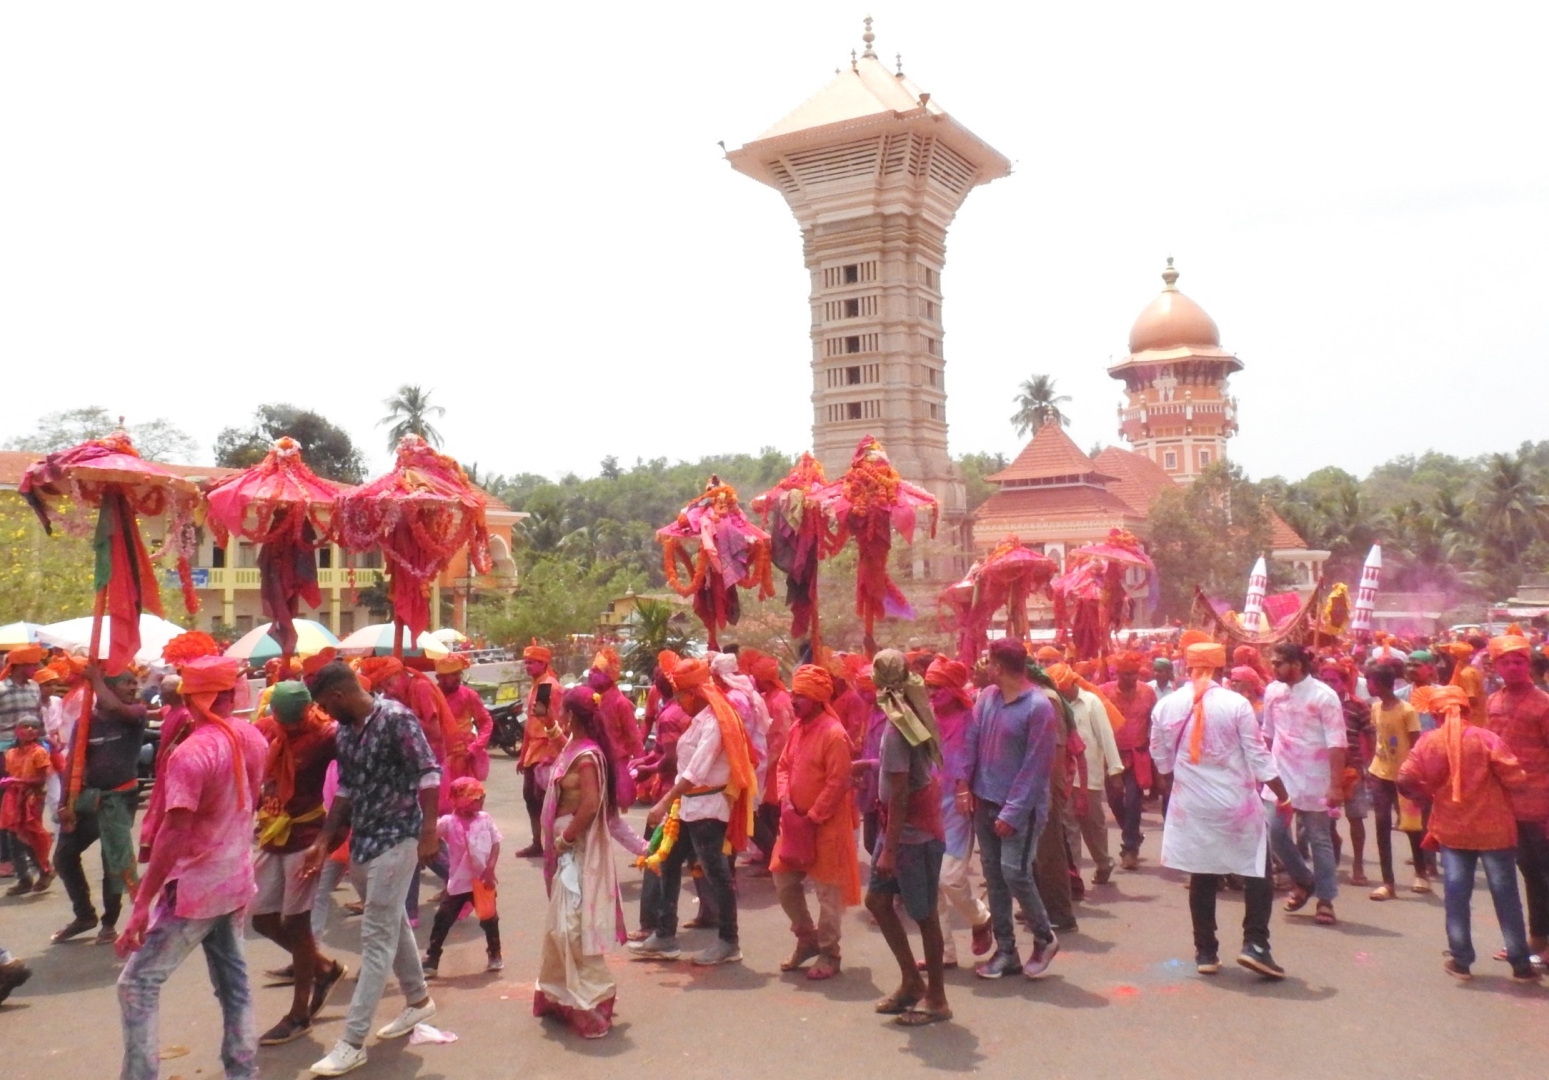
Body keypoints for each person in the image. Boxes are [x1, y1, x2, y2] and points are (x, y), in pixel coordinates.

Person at [115, 655, 268, 1080]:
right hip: (234, 879)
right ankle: (242, 1070)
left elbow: (174, 832)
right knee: (233, 985)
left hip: (196, 888)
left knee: (136, 985)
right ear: (226, 694)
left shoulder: (193, 752)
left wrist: (143, 902)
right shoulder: (253, 737)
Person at [302, 660, 441, 1078]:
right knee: (392, 923)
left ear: (341, 696)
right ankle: (418, 1001)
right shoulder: (347, 732)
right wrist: (325, 841)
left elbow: (429, 773)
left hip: (399, 838)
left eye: (327, 705)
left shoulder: (397, 719)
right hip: (364, 840)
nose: (327, 714)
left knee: (376, 937)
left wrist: (429, 831)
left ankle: (352, 1042)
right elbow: (345, 789)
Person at [1151, 640, 1290, 978]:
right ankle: (1256, 944)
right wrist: (1282, 794)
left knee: (1203, 874)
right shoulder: (1236, 704)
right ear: (1220, 667)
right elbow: (1258, 755)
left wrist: (1183, 774)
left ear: (1186, 666)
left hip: (1192, 806)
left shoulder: (1166, 706)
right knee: (1257, 870)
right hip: (1236, 805)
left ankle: (1206, 952)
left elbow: (1161, 759)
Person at [1398, 684, 1539, 981]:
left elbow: (1404, 778)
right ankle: (1520, 964)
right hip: (1495, 830)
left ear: (1436, 714)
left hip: (1452, 830)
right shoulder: (1487, 739)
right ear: (1465, 709)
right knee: (1506, 894)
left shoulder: (1428, 742)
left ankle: (1461, 960)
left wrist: (1425, 794)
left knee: (1456, 893)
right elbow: (1515, 778)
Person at [630, 656, 757, 966]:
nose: (677, 702)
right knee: (670, 864)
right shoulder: (700, 719)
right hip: (688, 806)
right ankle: (665, 936)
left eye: (680, 695)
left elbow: (695, 771)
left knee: (717, 874)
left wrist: (662, 803)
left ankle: (729, 941)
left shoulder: (715, 722)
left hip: (708, 808)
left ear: (694, 692)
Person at [250, 681, 347, 1047]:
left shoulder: (326, 735)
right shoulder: (266, 729)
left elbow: (350, 783)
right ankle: (323, 968)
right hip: (271, 832)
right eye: (281, 719)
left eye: (293, 721)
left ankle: (299, 1014)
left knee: (297, 922)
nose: (287, 727)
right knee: (261, 919)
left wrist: (334, 838)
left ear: (307, 711)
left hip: (306, 836)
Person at [956, 639, 1059, 980]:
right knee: (995, 877)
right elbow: (971, 741)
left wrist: (1011, 813)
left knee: (1015, 872)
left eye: (988, 662)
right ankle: (1006, 951)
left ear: (998, 666)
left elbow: (1035, 768)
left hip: (1019, 809)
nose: (985, 668)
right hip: (984, 801)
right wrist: (964, 785)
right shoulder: (987, 698)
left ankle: (1044, 938)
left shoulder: (1038, 708)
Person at [534, 688, 626, 1038]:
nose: (558, 715)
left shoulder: (588, 757)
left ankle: (592, 1000)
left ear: (572, 716)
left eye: (560, 712)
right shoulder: (576, 748)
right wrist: (547, 723)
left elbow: (590, 804)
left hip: (578, 854)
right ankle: (559, 994)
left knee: (572, 929)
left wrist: (565, 838)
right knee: (560, 927)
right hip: (566, 854)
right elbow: (565, 755)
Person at [865, 650, 951, 1026]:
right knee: (878, 902)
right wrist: (871, 767)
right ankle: (912, 982)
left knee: (924, 913)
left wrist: (890, 849)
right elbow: (902, 774)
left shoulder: (898, 724)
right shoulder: (907, 716)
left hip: (910, 835)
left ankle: (937, 999)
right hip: (900, 830)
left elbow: (900, 792)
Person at [770, 664, 861, 981]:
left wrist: (812, 816)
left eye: (802, 697)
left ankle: (829, 953)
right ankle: (806, 939)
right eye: (794, 694)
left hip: (825, 826)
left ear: (819, 699)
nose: (794, 701)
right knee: (783, 882)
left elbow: (838, 782)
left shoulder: (834, 734)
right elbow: (783, 766)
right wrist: (785, 800)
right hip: (794, 821)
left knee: (828, 894)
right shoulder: (797, 728)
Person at [52, 665, 148, 946]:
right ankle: (84, 916)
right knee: (64, 856)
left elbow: (114, 707)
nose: (133, 688)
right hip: (88, 800)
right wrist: (64, 804)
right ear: (108, 687)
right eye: (126, 683)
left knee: (113, 863)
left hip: (119, 800)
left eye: (135, 683)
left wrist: (95, 679)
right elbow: (72, 763)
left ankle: (109, 923)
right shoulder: (86, 723)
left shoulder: (136, 714)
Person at [1263, 641, 1347, 926]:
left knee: (1319, 839)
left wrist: (1336, 785)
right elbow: (1268, 736)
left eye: (1278, 663)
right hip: (1280, 778)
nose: (1272, 668)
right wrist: (1260, 772)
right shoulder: (1273, 691)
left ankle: (1325, 899)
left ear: (1297, 665)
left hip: (1314, 778)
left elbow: (1337, 743)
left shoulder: (1325, 696)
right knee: (1275, 832)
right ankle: (1303, 879)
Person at [1481, 633, 1549, 965]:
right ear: (1495, 666)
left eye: (1519, 660)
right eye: (1506, 661)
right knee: (1529, 873)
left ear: (1529, 665)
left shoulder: (1544, 704)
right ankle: (1535, 940)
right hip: (1507, 808)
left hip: (1542, 809)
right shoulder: (1492, 702)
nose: (1513, 666)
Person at [922, 656, 992, 965]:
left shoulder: (972, 719)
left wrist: (965, 787)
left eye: (938, 687)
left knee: (949, 878)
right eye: (928, 687)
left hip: (958, 807)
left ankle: (981, 918)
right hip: (925, 806)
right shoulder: (923, 718)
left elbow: (977, 759)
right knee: (929, 883)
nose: (932, 693)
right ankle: (943, 954)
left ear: (953, 688)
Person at [1048, 665, 1123, 885]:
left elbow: (1105, 736)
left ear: (1073, 683)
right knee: (1068, 826)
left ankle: (1103, 862)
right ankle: (1073, 876)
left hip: (1090, 777)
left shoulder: (1091, 702)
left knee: (1093, 825)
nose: (1061, 693)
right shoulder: (1054, 704)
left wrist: (1115, 770)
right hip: (1064, 777)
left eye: (1064, 689)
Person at [424, 777, 502, 977]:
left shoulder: (485, 819)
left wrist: (490, 868)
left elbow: (495, 842)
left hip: (482, 880)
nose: (480, 802)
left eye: (481, 798)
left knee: (489, 919)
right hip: (459, 882)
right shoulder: (449, 823)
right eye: (476, 798)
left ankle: (494, 953)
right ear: (462, 800)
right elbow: (431, 835)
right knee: (443, 918)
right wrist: (426, 850)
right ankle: (432, 958)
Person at [1365, 662, 1429, 900]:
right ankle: (1387, 882)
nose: (1368, 685)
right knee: (1382, 825)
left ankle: (1421, 873)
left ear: (1380, 683)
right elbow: (1377, 738)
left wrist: (1415, 774)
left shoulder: (1407, 710)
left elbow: (1415, 744)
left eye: (1370, 681)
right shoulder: (1376, 708)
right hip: (1380, 773)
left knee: (1411, 826)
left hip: (1405, 776)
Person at [1318, 656, 1373, 886]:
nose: (1330, 685)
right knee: (1325, 818)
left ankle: (1358, 864)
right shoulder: (1317, 703)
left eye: (1334, 681)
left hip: (1352, 767)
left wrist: (1367, 765)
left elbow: (1370, 735)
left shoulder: (1358, 705)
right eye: (1325, 680)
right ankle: (1333, 848)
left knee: (1355, 817)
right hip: (1325, 767)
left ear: (1344, 682)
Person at [1100, 652, 1157, 871]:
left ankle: (1130, 848)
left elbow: (1156, 721)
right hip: (1111, 754)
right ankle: (1132, 833)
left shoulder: (1148, 692)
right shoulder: (1105, 692)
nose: (1131, 678)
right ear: (1117, 673)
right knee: (1114, 800)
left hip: (1138, 754)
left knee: (1133, 800)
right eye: (1126, 674)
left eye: (1134, 673)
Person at [0, 645, 46, 882]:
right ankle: (7, 860)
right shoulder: (2, 689)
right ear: (17, 666)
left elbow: (39, 719)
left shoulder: (35, 688)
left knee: (32, 808)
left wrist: (48, 744)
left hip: (34, 753)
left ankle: (37, 859)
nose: (36, 669)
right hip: (5, 753)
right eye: (31, 665)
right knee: (7, 808)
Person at [517, 640, 564, 857]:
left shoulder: (548, 687)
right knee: (530, 798)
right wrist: (522, 753)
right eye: (526, 663)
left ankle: (552, 844)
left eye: (532, 663)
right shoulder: (536, 686)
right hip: (533, 751)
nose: (528, 667)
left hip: (545, 750)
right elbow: (530, 724)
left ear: (543, 664)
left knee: (545, 800)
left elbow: (553, 723)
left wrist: (551, 754)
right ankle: (538, 842)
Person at [2, 716, 54, 894]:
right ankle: (24, 879)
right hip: (14, 798)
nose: (30, 730)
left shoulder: (39, 752)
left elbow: (41, 780)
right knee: (13, 838)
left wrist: (19, 780)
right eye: (26, 726)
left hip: (33, 799)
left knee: (31, 837)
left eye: (34, 726)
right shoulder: (10, 753)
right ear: (17, 731)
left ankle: (45, 870)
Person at [434, 654, 493, 800]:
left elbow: (486, 722)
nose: (458, 678)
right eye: (453, 674)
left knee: (467, 801)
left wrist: (475, 747)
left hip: (464, 759)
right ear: (440, 677)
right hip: (438, 758)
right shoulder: (431, 695)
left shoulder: (469, 695)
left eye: (459, 673)